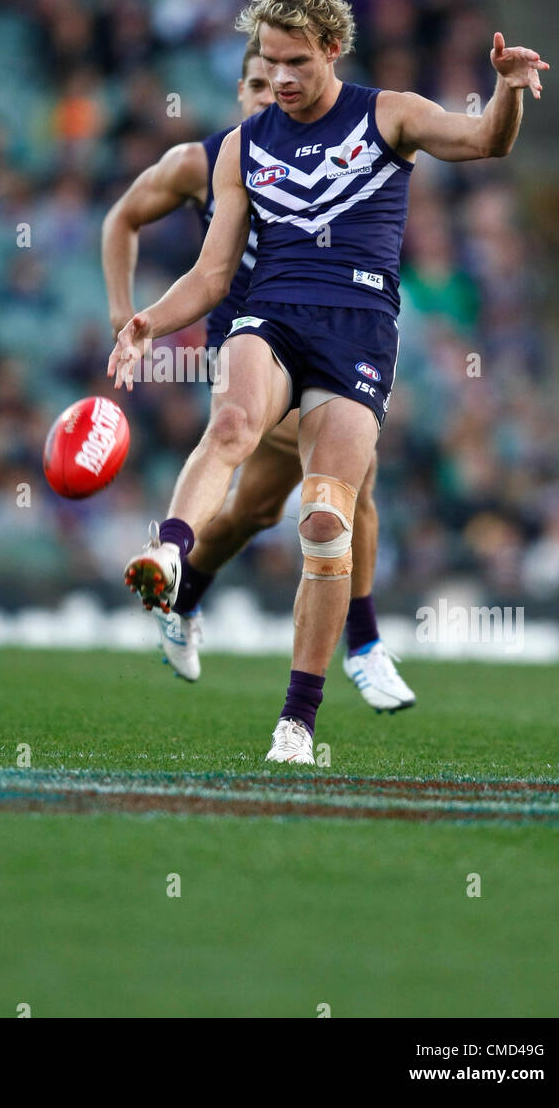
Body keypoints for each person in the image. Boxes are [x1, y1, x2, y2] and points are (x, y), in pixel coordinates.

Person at [108, 0, 548, 763]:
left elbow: (486, 142)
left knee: (324, 522)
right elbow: (213, 277)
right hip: (270, 316)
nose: (278, 78)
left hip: (356, 333)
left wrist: (506, 89)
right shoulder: (244, 146)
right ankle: (170, 551)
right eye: (267, 63)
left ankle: (296, 722)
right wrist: (146, 321)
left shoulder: (390, 114)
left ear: (332, 50)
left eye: (294, 62)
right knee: (234, 422)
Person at [102, 43, 409, 711]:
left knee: (253, 510)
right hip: (246, 347)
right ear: (241, 94)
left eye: (284, 84)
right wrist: (125, 314)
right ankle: (362, 646)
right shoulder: (207, 161)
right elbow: (122, 217)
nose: (274, 97)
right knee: (350, 479)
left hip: (318, 340)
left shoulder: (325, 154)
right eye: (260, 87)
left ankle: (180, 596)